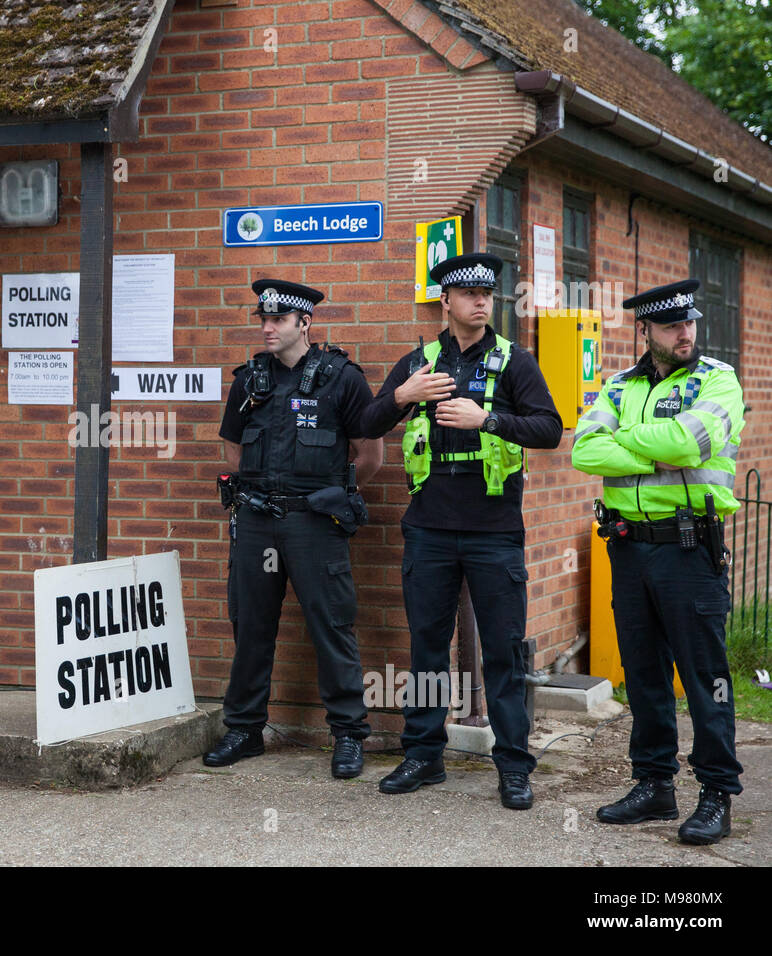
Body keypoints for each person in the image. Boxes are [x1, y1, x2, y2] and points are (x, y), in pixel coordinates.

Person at [359, 252, 562, 809]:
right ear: (445, 301)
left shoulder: (513, 360)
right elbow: (366, 424)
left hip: (494, 530)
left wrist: (487, 419)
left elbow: (549, 429)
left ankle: (514, 766)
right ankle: (424, 755)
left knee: (504, 650)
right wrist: (401, 396)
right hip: (428, 529)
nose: (480, 300)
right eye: (468, 293)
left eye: (487, 293)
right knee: (426, 647)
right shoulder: (418, 363)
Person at [571, 278, 744, 845]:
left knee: (704, 678)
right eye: (672, 326)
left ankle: (716, 793)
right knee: (643, 672)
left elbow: (691, 443)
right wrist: (657, 442)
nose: (685, 332)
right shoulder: (618, 385)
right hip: (628, 546)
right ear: (645, 330)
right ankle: (654, 785)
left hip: (689, 548)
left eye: (689, 322)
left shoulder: (716, 378)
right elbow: (584, 449)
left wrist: (633, 442)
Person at [206, 278, 383, 778]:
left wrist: (333, 494)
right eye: (262, 319)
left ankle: (348, 735)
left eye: (278, 320)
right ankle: (244, 729)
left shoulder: (342, 378)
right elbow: (233, 449)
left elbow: (370, 455)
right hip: (258, 521)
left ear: (305, 322)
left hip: (314, 523)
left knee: (332, 627)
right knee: (252, 626)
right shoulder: (249, 379)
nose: (267, 328)